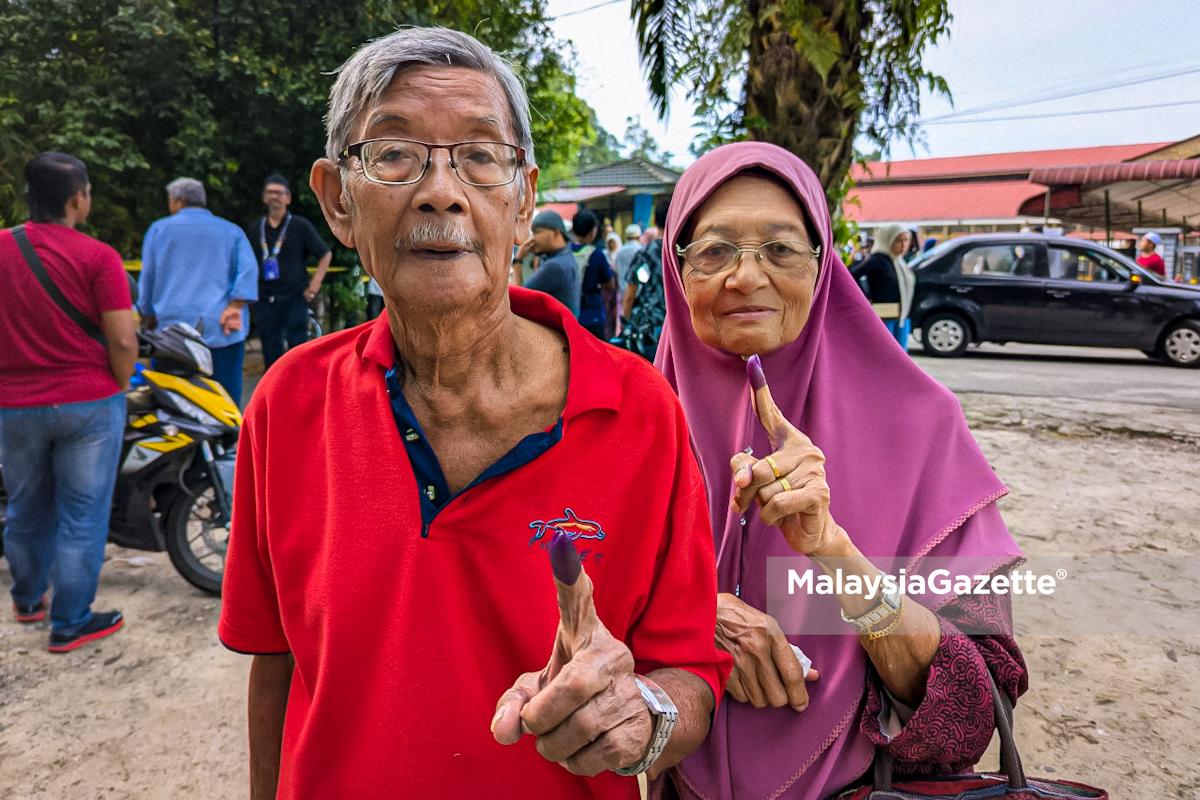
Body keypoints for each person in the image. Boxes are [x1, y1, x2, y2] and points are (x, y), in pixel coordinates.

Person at [217, 27, 730, 800]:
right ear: (337, 200)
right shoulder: (288, 401)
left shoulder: (639, 412)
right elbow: (277, 661)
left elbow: (690, 673)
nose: (440, 191)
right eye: (394, 154)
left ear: (524, 203)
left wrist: (643, 711)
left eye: (480, 158)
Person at [654, 142, 1028, 799]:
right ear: (676, 269)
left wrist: (837, 554)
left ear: (823, 264)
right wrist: (692, 616)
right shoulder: (629, 423)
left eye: (780, 249)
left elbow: (974, 709)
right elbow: (548, 612)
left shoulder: (920, 426)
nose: (746, 276)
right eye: (714, 250)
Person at [0, 152, 137, 652]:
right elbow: (122, 341)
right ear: (78, 198)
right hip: (88, 403)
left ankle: (28, 600)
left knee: (26, 506)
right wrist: (119, 385)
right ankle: (71, 621)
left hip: (13, 405)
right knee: (83, 513)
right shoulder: (98, 257)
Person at [138, 178, 258, 404]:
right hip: (221, 330)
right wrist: (235, 305)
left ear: (179, 201)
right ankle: (229, 439)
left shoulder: (159, 230)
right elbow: (248, 271)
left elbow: (147, 281)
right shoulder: (232, 231)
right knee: (225, 399)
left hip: (170, 334)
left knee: (173, 400)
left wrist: (147, 315)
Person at [248, 174, 332, 368]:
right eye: (270, 192)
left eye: (279, 192)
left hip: (295, 297)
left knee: (298, 351)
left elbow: (325, 254)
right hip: (265, 298)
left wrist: (314, 286)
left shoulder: (299, 226)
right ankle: (274, 393)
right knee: (270, 350)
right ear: (264, 197)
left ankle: (299, 393)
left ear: (288, 198)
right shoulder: (255, 228)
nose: (274, 196)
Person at [850, 224, 915, 348]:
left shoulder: (899, 262)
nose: (903, 245)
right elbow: (852, 275)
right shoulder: (878, 259)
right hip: (883, 315)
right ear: (887, 239)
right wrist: (866, 297)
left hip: (901, 315)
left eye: (905, 240)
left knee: (901, 353)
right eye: (898, 240)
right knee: (885, 351)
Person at [523, 209, 579, 315]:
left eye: (537, 232)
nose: (532, 239)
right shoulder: (566, 256)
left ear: (556, 233)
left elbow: (517, 299)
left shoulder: (554, 266)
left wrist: (518, 260)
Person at [573, 208, 616, 338]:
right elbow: (610, 285)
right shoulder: (597, 255)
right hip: (593, 316)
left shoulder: (564, 253)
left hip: (569, 314)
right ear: (593, 231)